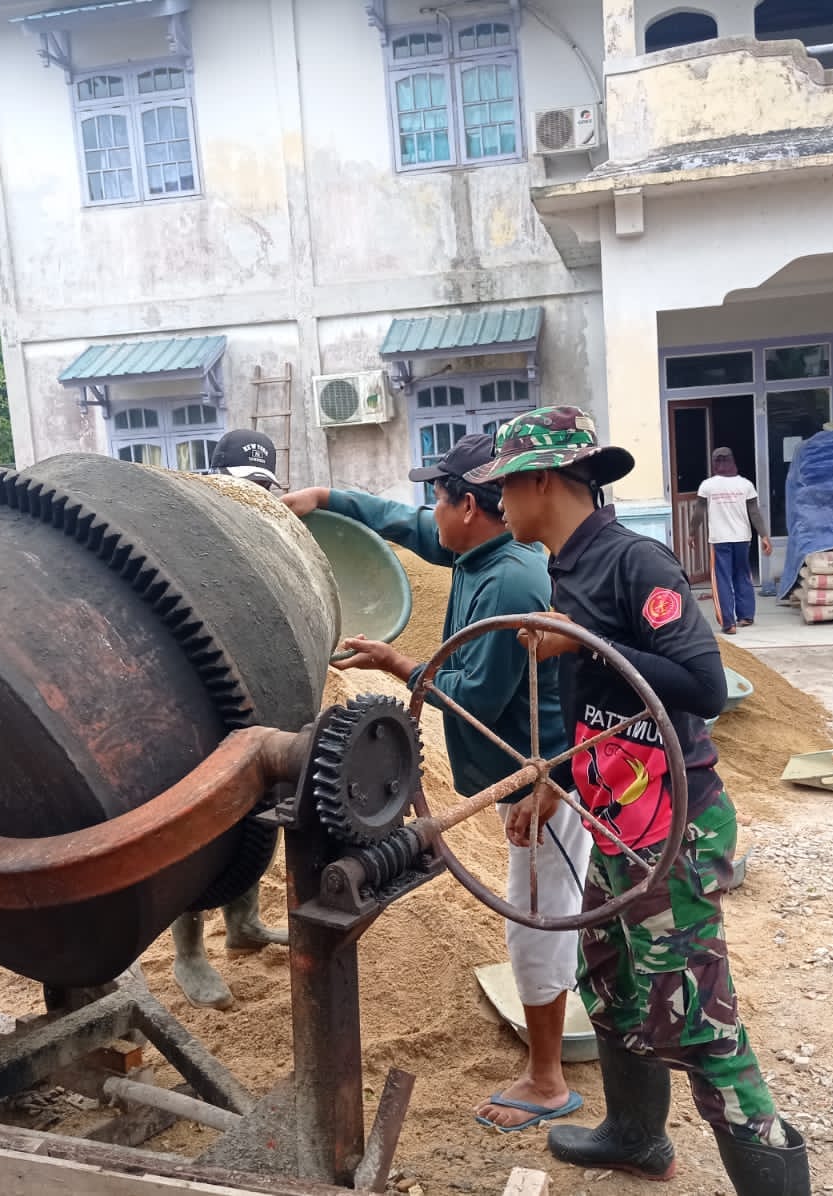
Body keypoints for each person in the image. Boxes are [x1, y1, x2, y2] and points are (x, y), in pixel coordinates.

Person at [467, 407, 809, 1194]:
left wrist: (585, 641)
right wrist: (553, 779)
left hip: (672, 828)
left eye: (503, 489)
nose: (496, 505)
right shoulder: (563, 567)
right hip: (613, 818)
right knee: (613, 980)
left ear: (543, 482)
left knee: (697, 1017)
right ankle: (634, 1136)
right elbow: (597, 712)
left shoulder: (634, 565)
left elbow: (705, 687)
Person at [281, 434, 594, 1134]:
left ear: (472, 508)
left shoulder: (512, 580)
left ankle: (547, 1081)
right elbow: (406, 525)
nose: (432, 510)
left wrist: (395, 663)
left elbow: (470, 700)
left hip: (545, 780)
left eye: (441, 496)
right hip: (520, 771)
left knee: (536, 923)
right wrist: (326, 499)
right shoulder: (479, 549)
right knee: (562, 907)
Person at [171, 428, 290, 1010]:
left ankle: (245, 926)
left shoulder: (270, 536)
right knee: (198, 822)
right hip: (198, 692)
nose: (258, 499)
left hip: (257, 685)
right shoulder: (187, 534)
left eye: (265, 488)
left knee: (258, 811)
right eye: (248, 488)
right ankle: (189, 953)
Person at [695, 448, 772, 635]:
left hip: (719, 539)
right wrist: (764, 535)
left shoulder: (708, 485)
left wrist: (691, 534)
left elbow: (698, 513)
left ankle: (728, 623)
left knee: (722, 579)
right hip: (742, 538)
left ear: (714, 463)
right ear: (732, 461)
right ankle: (746, 616)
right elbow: (754, 513)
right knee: (742, 575)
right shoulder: (745, 485)